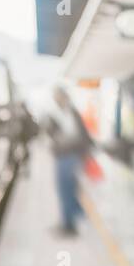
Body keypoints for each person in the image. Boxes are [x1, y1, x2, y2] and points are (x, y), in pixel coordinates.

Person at [43, 86, 94, 236]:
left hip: (69, 157)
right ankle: (68, 221)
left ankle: (69, 225)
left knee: (66, 190)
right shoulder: (63, 113)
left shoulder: (70, 113)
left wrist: (61, 143)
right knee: (65, 190)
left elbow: (78, 137)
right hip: (64, 156)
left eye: (57, 96)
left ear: (64, 97)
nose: (56, 99)